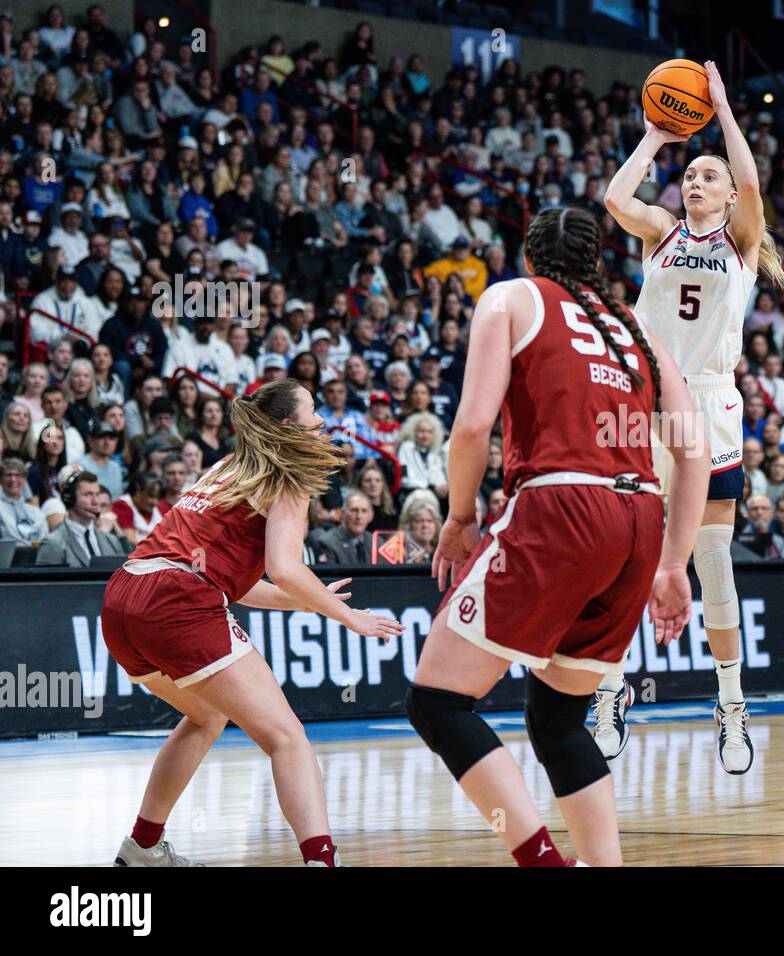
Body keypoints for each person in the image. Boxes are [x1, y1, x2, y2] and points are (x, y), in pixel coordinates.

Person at [405, 206, 707, 866]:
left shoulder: (511, 297)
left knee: (437, 703)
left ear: (530, 256)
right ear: (597, 258)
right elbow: (695, 452)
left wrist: (460, 517)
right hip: (639, 527)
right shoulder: (639, 328)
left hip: (561, 507)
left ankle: (541, 861)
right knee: (557, 719)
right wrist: (676, 563)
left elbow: (470, 427)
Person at [100, 380, 403, 866]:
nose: (321, 420)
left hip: (123, 598)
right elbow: (284, 566)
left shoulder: (228, 468)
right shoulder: (291, 472)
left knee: (206, 716)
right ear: (288, 426)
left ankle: (142, 847)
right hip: (177, 601)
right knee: (287, 739)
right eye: (311, 409)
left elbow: (234, 583)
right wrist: (344, 614)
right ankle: (322, 861)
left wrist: (304, 603)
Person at [597, 60, 784, 772]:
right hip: (644, 402)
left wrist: (727, 113)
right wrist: (654, 137)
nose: (695, 182)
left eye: (710, 176)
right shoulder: (662, 232)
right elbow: (616, 196)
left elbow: (753, 183)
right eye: (692, 174)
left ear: (729, 194)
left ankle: (732, 707)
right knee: (622, 557)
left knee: (713, 564)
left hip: (709, 402)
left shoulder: (738, 243)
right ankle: (610, 693)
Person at [35, 469, 127, 566]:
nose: (95, 502)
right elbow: (45, 581)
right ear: (70, 499)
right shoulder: (53, 543)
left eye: (97, 494)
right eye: (87, 495)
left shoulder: (112, 541)